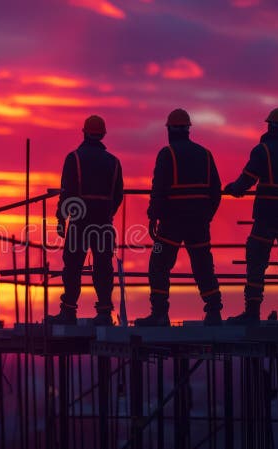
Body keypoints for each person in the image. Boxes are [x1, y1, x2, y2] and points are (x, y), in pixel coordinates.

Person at [135, 109, 223, 327]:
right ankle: (213, 312)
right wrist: (207, 215)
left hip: (170, 225)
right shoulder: (205, 154)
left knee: (157, 263)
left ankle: (159, 314)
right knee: (203, 265)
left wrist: (153, 217)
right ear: (187, 129)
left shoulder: (167, 154)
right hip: (198, 223)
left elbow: (158, 189)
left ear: (170, 130)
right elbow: (216, 190)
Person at [225, 107, 278, 324]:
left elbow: (247, 179)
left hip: (267, 217)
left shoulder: (262, 150)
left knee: (256, 260)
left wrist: (233, 189)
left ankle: (252, 312)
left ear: (269, 126)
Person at [47, 115, 123, 326]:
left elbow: (67, 193)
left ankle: (69, 311)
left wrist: (62, 218)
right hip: (103, 222)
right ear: (103, 134)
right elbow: (118, 195)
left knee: (72, 266)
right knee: (103, 266)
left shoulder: (75, 158)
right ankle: (104, 313)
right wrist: (108, 212)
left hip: (80, 222)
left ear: (84, 132)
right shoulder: (114, 162)